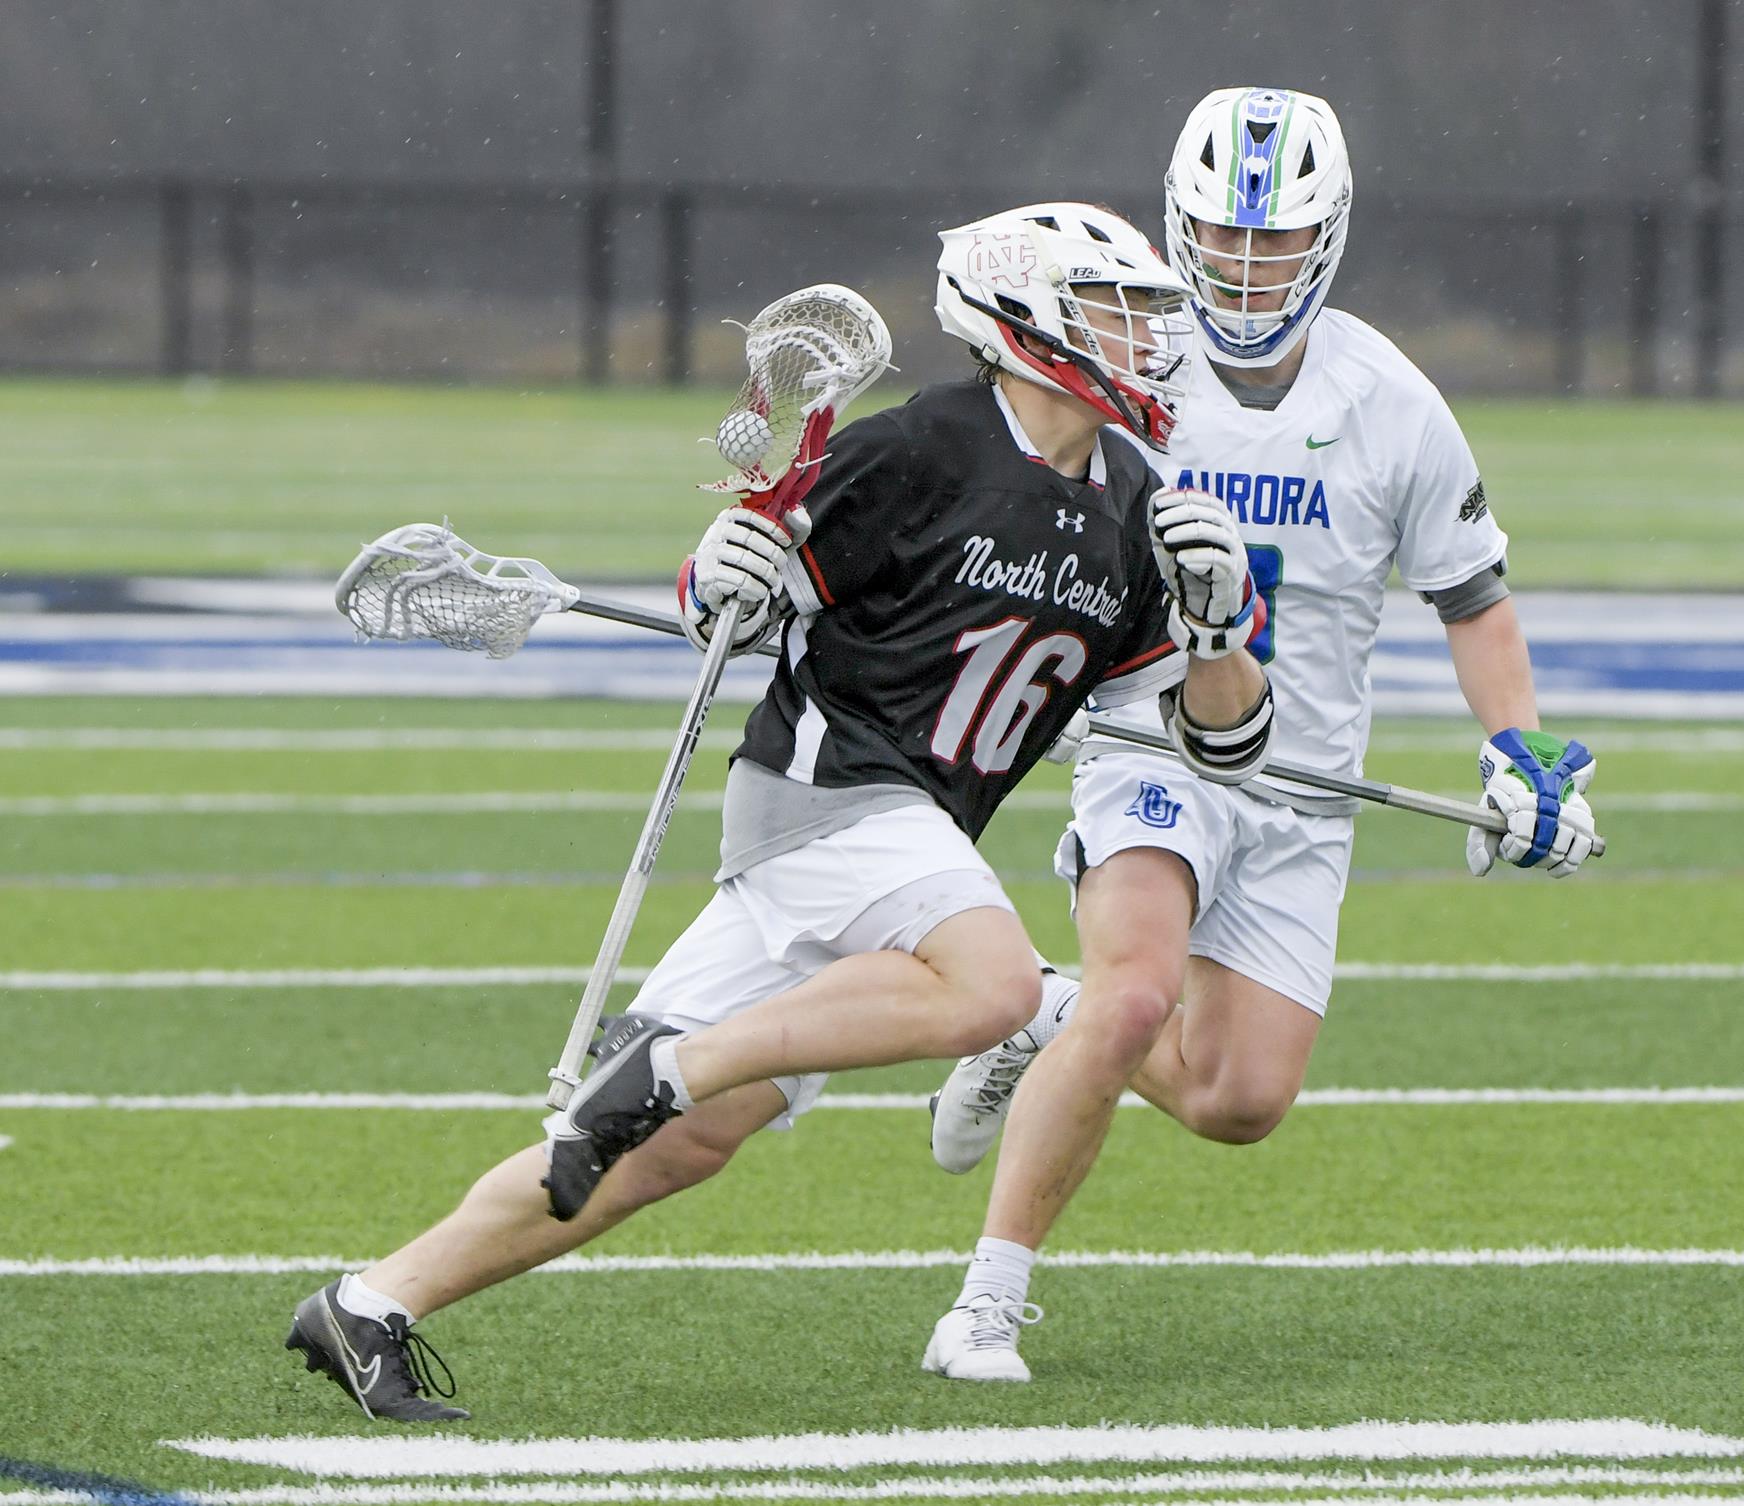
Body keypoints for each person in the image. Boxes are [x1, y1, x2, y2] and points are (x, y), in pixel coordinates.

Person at [283, 200, 1275, 1422]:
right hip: (826, 791)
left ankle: (372, 1304)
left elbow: (1224, 741)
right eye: (1113, 314)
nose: (1144, 342)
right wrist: (721, 570)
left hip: (901, 842)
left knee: (668, 1147)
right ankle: (671, 1065)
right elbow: (731, 600)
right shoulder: (916, 447)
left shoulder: (1138, 504)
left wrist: (1219, 627)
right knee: (999, 990)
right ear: (1023, 323)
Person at [920, 88, 1600, 1383]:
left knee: (1240, 1100)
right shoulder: (1128, 369)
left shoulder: (1389, 399)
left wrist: (1524, 750)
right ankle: (986, 1304)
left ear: (1326, 241)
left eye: (1272, 245)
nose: (1241, 271)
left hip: (1302, 782)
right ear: (1178, 232)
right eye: (1221, 243)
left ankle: (1041, 1017)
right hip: (1149, 736)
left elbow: (1474, 595)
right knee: (1137, 995)